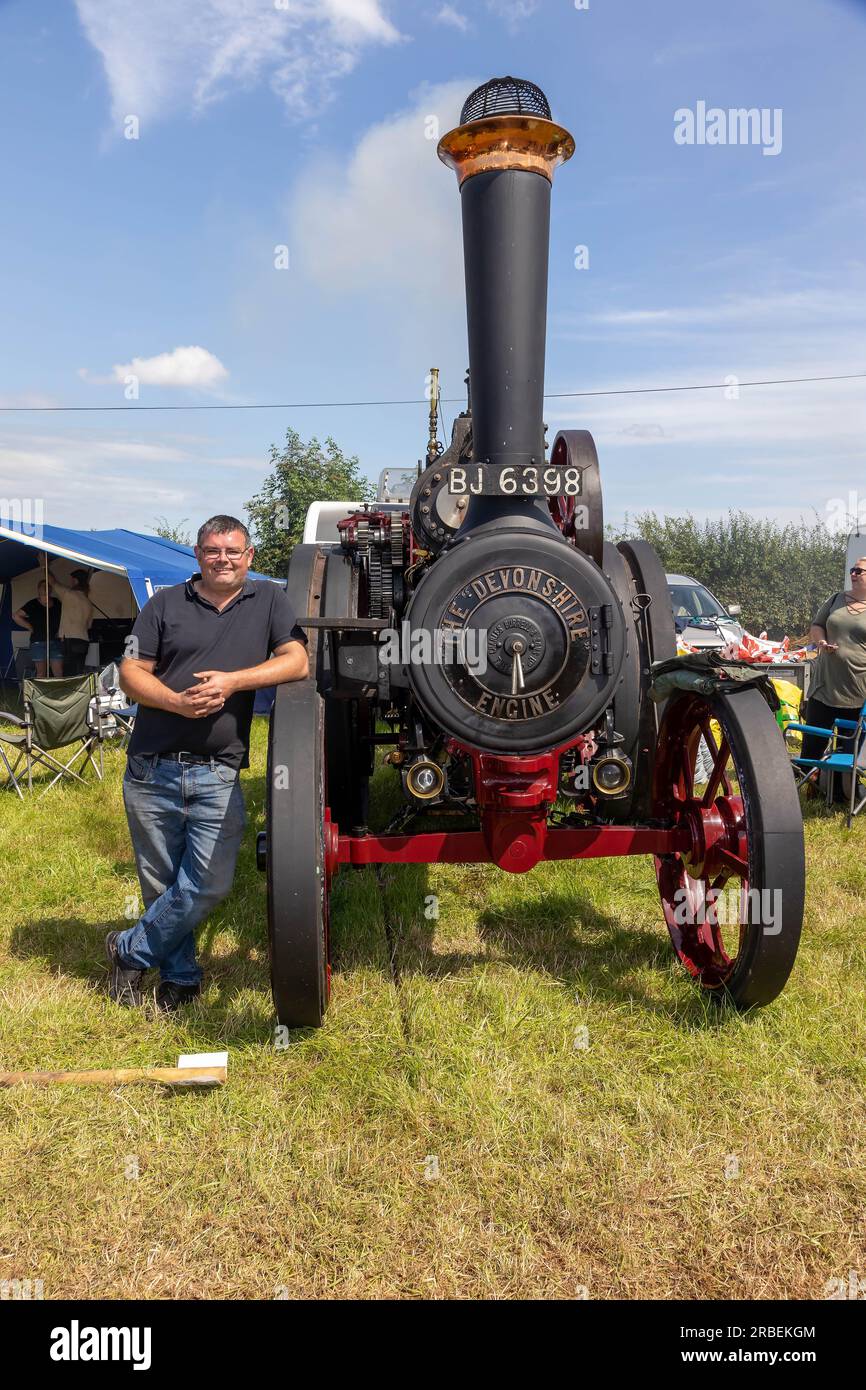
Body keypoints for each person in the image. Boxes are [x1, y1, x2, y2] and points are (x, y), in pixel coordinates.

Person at [107, 514, 308, 1013]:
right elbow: (130, 672)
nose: (224, 559)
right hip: (152, 767)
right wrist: (175, 703)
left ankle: (128, 950)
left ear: (249, 556)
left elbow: (298, 660)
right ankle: (180, 978)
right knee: (161, 883)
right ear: (198, 554)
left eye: (233, 551)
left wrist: (234, 682)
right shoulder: (164, 604)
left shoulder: (269, 601)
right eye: (214, 550)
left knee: (208, 883)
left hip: (217, 768)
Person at [801, 558, 866, 803]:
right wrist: (820, 642)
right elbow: (817, 625)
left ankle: (841, 793)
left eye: (859, 570)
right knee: (813, 742)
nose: (854, 573)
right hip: (825, 684)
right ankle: (811, 787)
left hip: (857, 688)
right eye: (852, 569)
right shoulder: (836, 599)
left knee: (849, 747)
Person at [48, 566, 95, 675]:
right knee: (79, 671)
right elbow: (89, 625)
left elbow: (52, 582)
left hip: (70, 639)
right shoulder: (88, 603)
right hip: (83, 639)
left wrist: (44, 566)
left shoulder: (68, 594)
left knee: (69, 671)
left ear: (75, 580)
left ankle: (69, 692)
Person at [13, 580, 63, 676]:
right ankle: (41, 691)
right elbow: (16, 616)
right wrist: (29, 627)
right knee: (41, 672)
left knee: (59, 672)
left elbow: (64, 617)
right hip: (38, 642)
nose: (45, 588)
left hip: (55, 641)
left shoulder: (57, 602)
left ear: (51, 589)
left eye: (47, 586)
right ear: (38, 589)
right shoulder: (32, 604)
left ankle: (58, 690)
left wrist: (62, 631)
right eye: (43, 586)